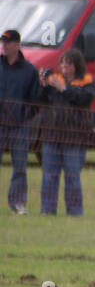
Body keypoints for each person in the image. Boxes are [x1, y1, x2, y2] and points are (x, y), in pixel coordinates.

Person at [36, 48, 95, 216]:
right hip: (52, 135)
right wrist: (43, 85)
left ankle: (75, 211)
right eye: (61, 63)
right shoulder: (54, 81)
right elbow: (39, 99)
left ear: (76, 65)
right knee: (49, 175)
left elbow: (84, 99)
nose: (63, 66)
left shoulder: (87, 81)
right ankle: (47, 210)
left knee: (72, 176)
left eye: (68, 63)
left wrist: (63, 88)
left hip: (75, 137)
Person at [1, 29, 40, 214]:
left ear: (17, 45)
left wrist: (25, 114)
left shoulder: (30, 71)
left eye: (8, 42)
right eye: (3, 42)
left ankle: (17, 202)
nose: (4, 46)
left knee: (20, 165)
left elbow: (35, 100)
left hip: (19, 126)